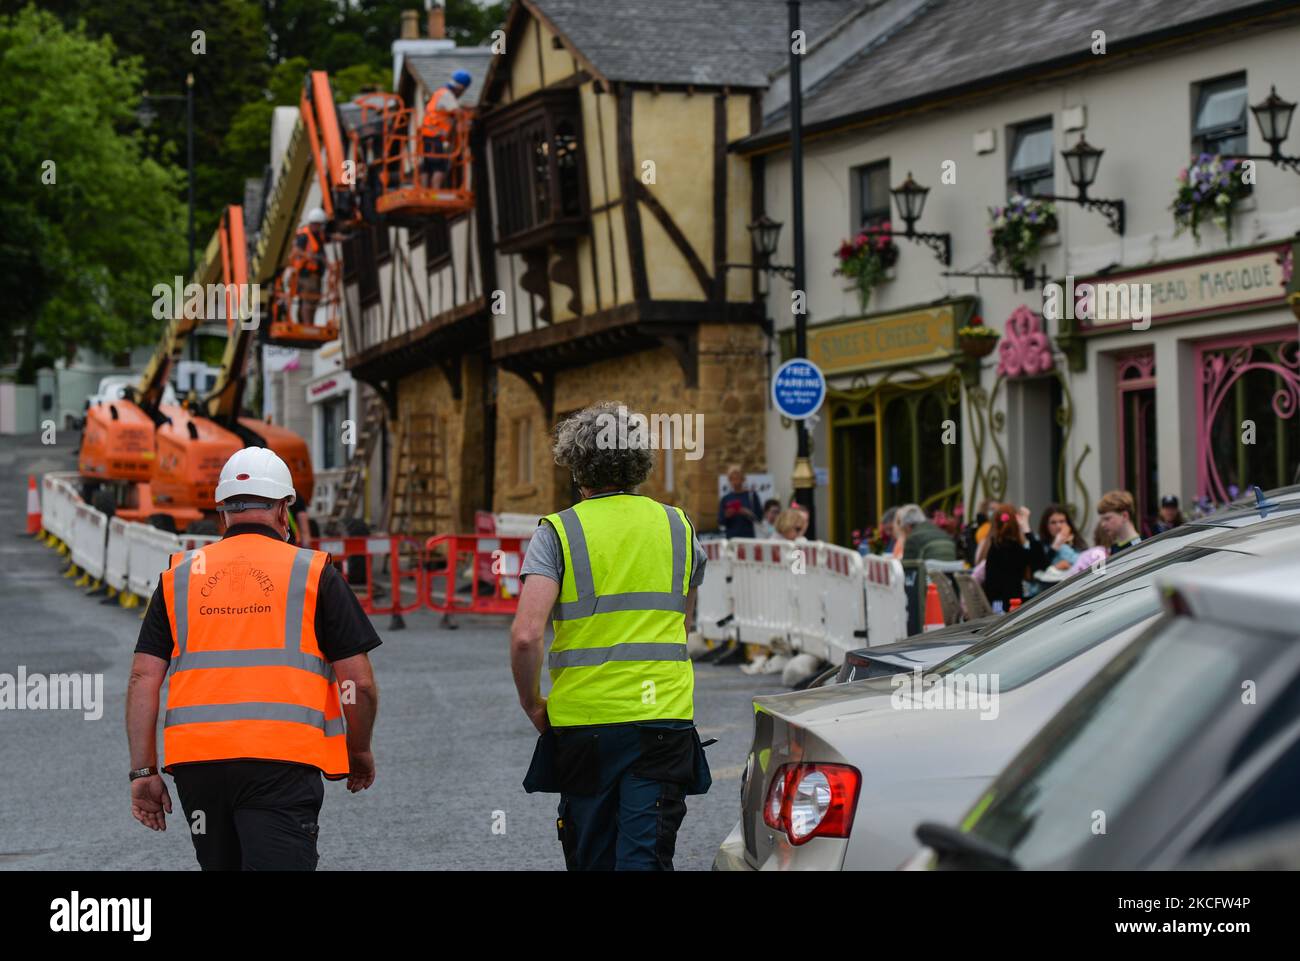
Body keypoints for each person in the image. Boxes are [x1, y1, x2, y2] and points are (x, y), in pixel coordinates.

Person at [125, 447, 380, 870]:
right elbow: (359, 683)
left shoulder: (181, 576)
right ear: (284, 510)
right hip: (282, 761)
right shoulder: (314, 572)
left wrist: (142, 772)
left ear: (223, 512)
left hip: (198, 765)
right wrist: (360, 749)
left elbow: (142, 679)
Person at [511, 402, 712, 871]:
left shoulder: (558, 532)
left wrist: (533, 704)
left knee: (591, 855)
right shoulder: (678, 527)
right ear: (639, 464)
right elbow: (681, 623)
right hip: (662, 720)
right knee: (645, 856)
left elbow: (526, 636)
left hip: (586, 724)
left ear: (576, 465)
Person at [977, 504, 1046, 610]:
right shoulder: (1014, 548)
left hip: (996, 604)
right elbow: (1040, 562)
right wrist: (1026, 528)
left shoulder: (994, 547)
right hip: (1011, 606)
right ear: (1017, 523)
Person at [420, 69, 471, 189]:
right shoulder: (447, 94)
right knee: (439, 165)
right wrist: (467, 117)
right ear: (460, 87)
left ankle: (424, 191)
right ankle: (435, 191)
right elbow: (457, 112)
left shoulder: (440, 93)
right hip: (434, 135)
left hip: (427, 134)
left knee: (427, 164)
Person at [289, 208, 328, 324]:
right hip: (307, 275)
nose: (321, 228)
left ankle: (305, 324)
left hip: (312, 276)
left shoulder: (316, 235)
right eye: (320, 225)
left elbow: (330, 237)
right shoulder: (305, 236)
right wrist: (308, 255)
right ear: (315, 224)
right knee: (309, 301)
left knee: (308, 301)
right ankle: (307, 325)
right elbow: (296, 250)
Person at [1035, 503, 1086, 571]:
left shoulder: (1076, 540)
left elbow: (1085, 562)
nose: (1058, 526)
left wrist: (1066, 544)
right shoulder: (1038, 542)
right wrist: (1056, 544)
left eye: (1062, 521)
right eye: (1053, 522)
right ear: (1046, 525)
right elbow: (1039, 568)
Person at [717, 464, 762, 539]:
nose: (735, 481)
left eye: (737, 478)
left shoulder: (751, 496)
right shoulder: (726, 498)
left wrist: (748, 513)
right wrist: (727, 515)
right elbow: (720, 521)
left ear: (743, 479)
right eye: (732, 479)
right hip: (732, 539)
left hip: (748, 537)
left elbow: (760, 517)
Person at [1097, 489, 1142, 556]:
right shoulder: (1113, 547)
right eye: (1102, 520)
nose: (1103, 524)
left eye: (1107, 518)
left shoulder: (1140, 547)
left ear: (1124, 516)